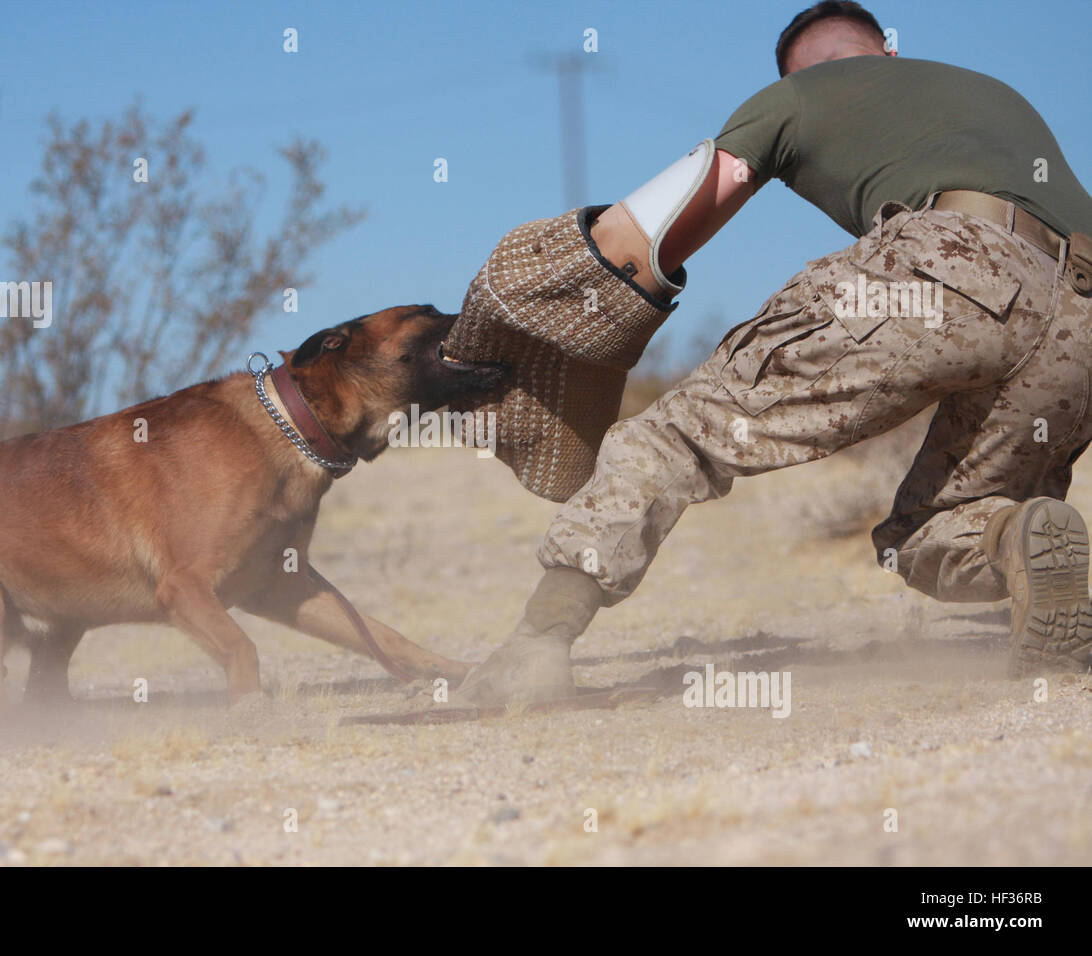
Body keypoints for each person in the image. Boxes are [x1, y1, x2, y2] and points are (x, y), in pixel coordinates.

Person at [445, 0, 1092, 706]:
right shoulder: (992, 94)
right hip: (1082, 319)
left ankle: (537, 642)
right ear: (888, 55)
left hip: (950, 262)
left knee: (678, 436)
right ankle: (1015, 536)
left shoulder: (794, 96)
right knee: (939, 528)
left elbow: (644, 242)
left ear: (799, 73)